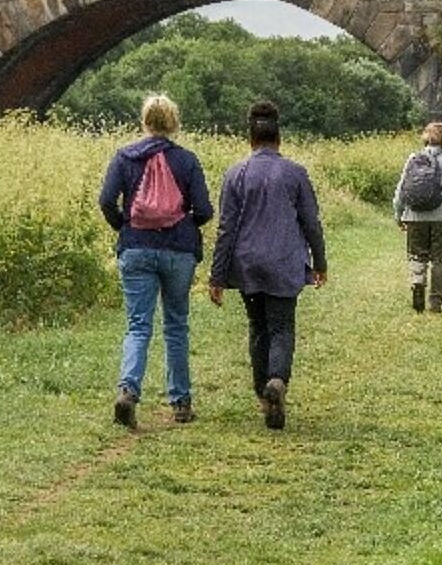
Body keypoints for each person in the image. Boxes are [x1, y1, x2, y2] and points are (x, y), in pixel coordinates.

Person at [209, 101, 328, 431]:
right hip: (284, 261)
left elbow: (226, 228)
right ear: (279, 136)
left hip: (247, 264)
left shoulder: (235, 173)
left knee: (257, 327)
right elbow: (311, 223)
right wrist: (320, 262)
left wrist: (217, 275)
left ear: (250, 137)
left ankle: (264, 396)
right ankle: (277, 381)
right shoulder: (295, 173)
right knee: (281, 327)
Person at [99, 94, 213, 429]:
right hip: (178, 250)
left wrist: (124, 225)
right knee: (176, 325)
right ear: (173, 123)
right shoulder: (187, 160)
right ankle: (180, 402)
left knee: (138, 325)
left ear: (145, 121)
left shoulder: (124, 157)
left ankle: (128, 391)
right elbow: (204, 210)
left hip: (135, 247)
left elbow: (106, 200)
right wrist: (185, 223)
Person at [392, 122, 442, 313]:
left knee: (417, 255)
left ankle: (417, 281)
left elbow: (400, 190)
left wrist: (398, 215)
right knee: (441, 259)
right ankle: (435, 301)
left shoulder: (413, 158)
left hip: (415, 217)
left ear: (425, 138)